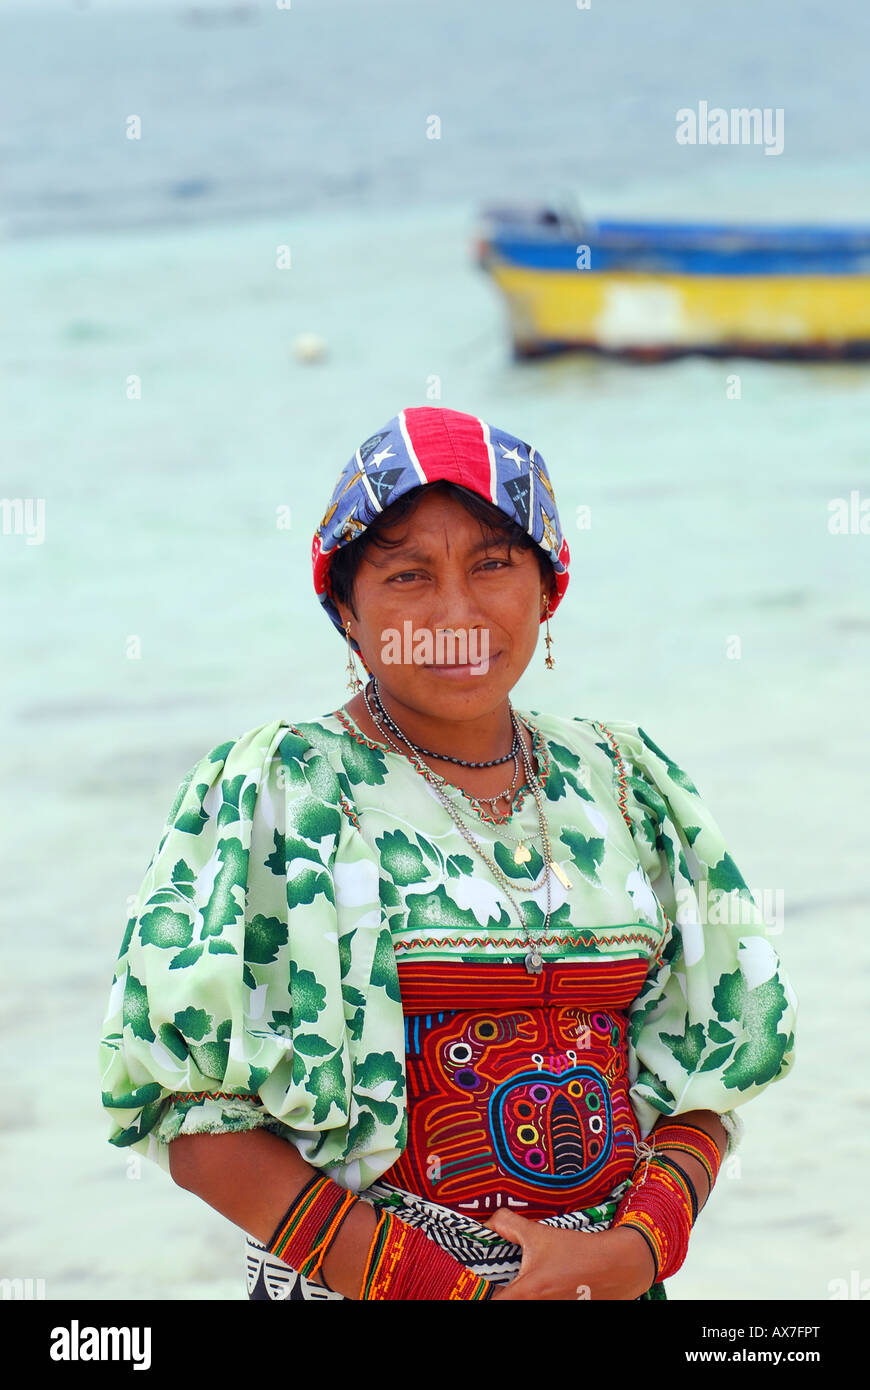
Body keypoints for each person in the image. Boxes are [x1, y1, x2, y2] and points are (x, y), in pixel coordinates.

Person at [98, 405, 797, 1301]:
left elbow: (712, 1058)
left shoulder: (626, 780)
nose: (455, 613)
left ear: (548, 589)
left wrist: (634, 1252)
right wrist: (442, 1290)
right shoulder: (284, 792)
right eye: (406, 574)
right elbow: (190, 1116)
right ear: (345, 607)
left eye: (494, 564)